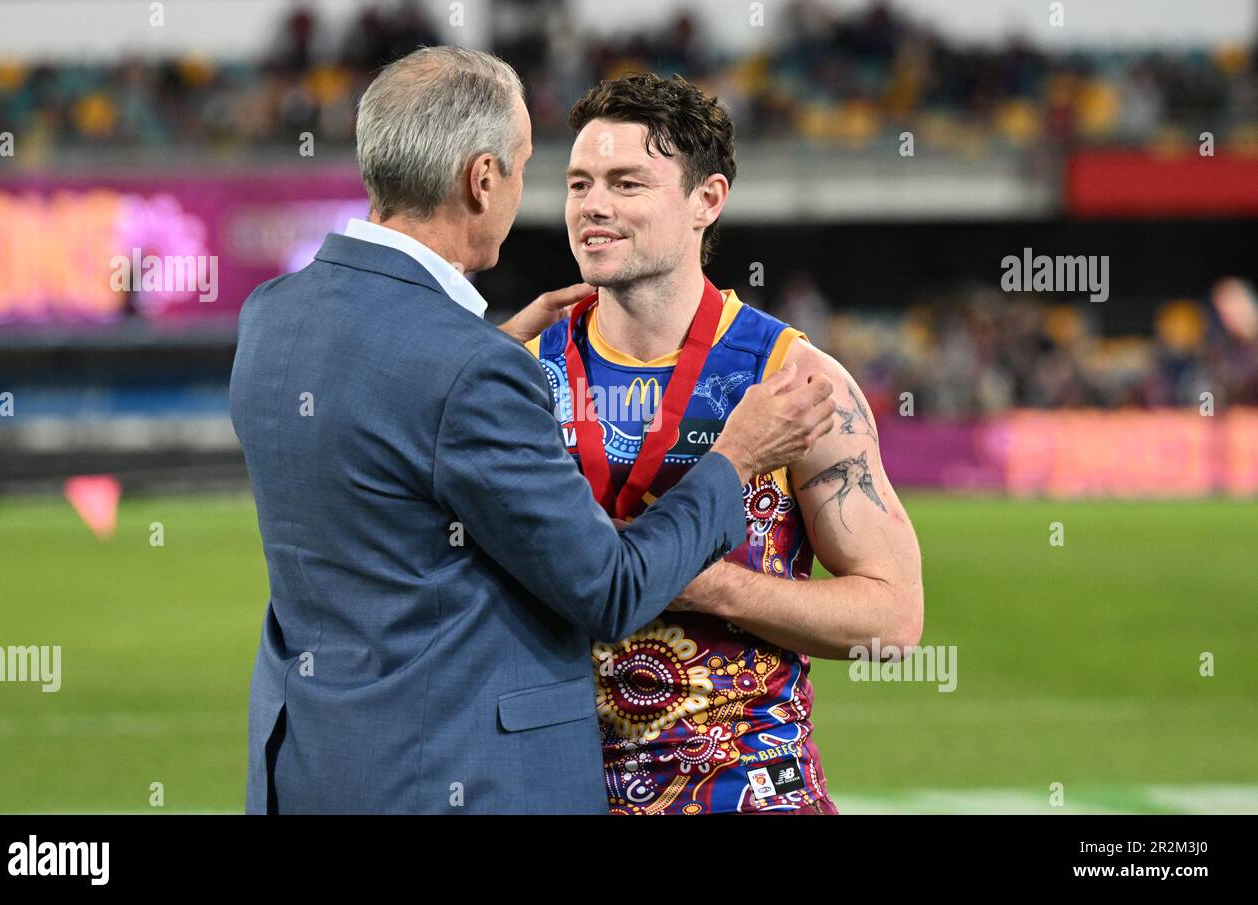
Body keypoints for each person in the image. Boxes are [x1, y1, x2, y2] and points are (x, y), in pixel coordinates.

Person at [229, 48, 837, 814]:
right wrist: (737, 454)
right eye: (528, 169)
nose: (556, 200)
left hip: (309, 764)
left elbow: (386, 426)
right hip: (448, 778)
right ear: (481, 180)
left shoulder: (272, 318)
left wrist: (479, 357)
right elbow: (610, 590)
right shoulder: (470, 370)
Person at [523, 73, 923, 814]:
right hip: (554, 785)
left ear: (706, 200)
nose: (593, 206)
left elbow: (893, 621)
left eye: (627, 182)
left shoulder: (793, 380)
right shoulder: (520, 376)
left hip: (748, 788)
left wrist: (702, 583)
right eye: (578, 183)